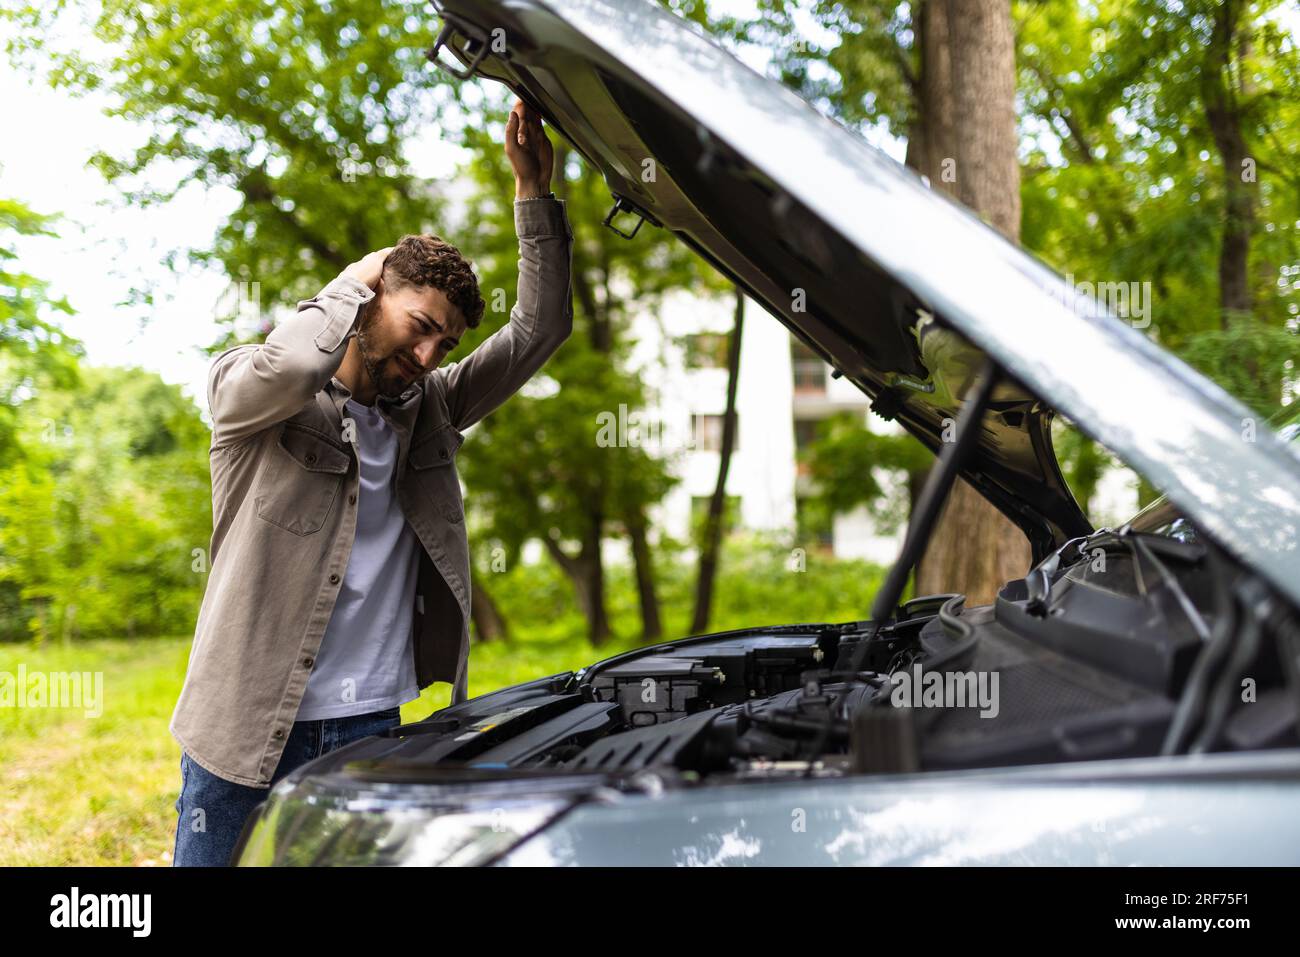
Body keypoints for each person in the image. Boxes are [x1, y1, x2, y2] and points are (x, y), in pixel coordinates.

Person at [170, 99, 573, 866]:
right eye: (420, 325)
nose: (429, 355)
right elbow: (289, 365)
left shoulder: (432, 407)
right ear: (371, 297)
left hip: (372, 727)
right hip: (245, 720)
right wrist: (352, 282)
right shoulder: (251, 395)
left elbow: (539, 328)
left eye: (445, 341)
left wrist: (532, 192)